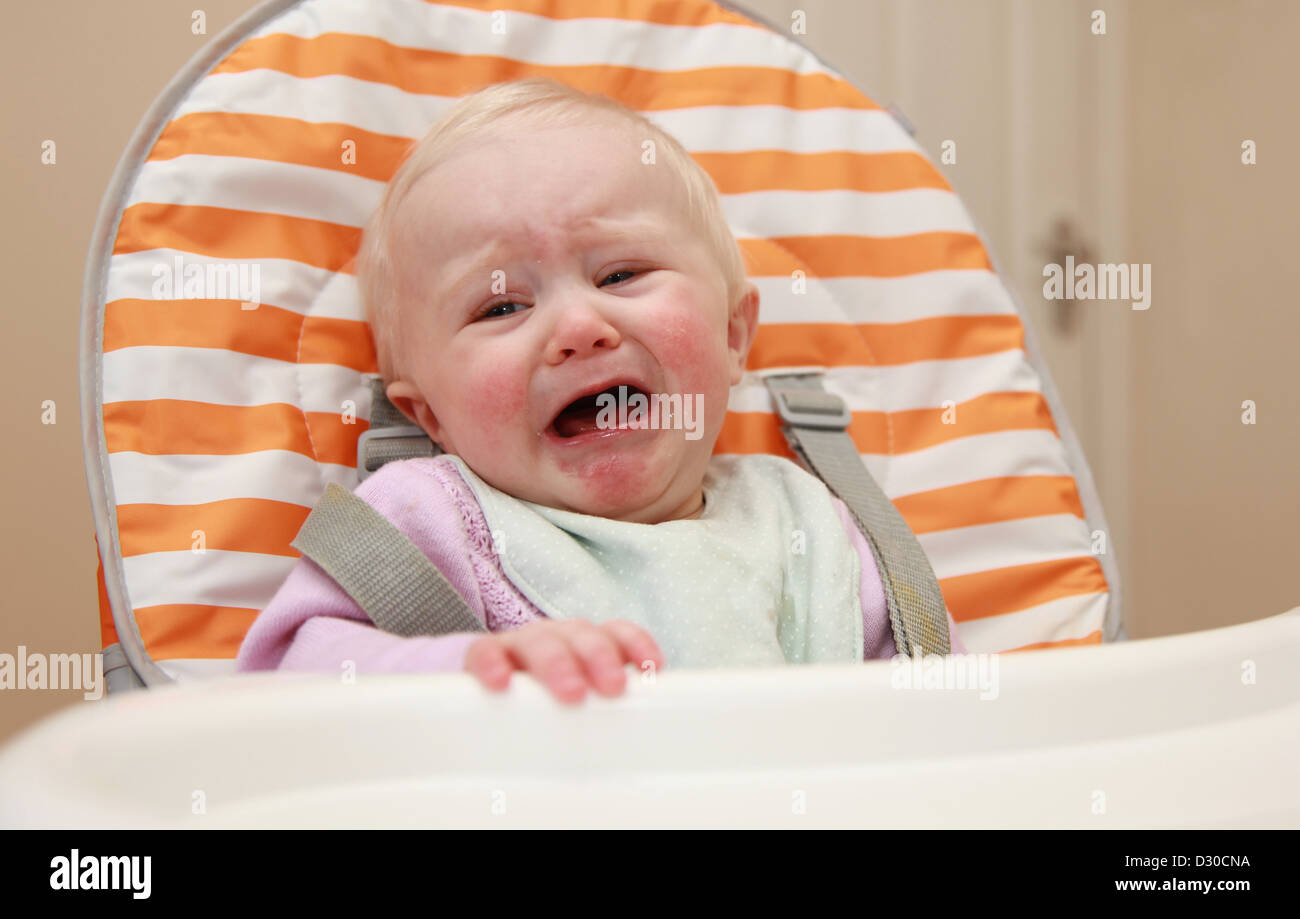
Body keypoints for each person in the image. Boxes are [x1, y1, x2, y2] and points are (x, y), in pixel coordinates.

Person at [236, 77, 964, 704]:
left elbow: (934, 714)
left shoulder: (813, 525)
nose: (579, 327)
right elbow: (282, 681)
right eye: (500, 307)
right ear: (430, 415)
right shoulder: (430, 516)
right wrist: (458, 675)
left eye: (620, 275)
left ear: (735, 337)